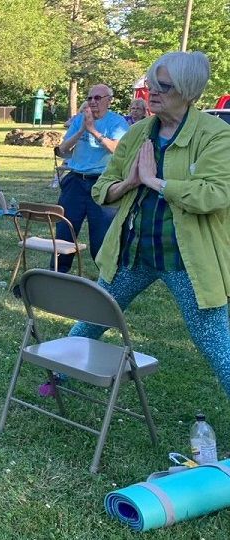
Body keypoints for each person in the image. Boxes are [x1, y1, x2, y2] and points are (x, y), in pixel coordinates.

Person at [69, 51, 230, 397]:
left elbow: (216, 194)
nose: (152, 92)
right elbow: (102, 187)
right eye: (151, 84)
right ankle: (57, 379)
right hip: (132, 252)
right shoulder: (139, 132)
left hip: (188, 261)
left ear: (188, 91)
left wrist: (156, 182)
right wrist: (129, 182)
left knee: (218, 347)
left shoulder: (216, 135)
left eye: (163, 86)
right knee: (95, 316)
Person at [53, 84, 130, 273]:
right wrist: (81, 131)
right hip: (75, 181)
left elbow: (116, 149)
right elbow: (63, 150)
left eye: (98, 98)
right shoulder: (80, 119)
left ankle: (106, 282)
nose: (93, 102)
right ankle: (57, 276)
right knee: (65, 231)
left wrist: (93, 130)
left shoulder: (118, 122)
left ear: (109, 100)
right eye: (90, 98)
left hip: (102, 183)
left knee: (101, 237)